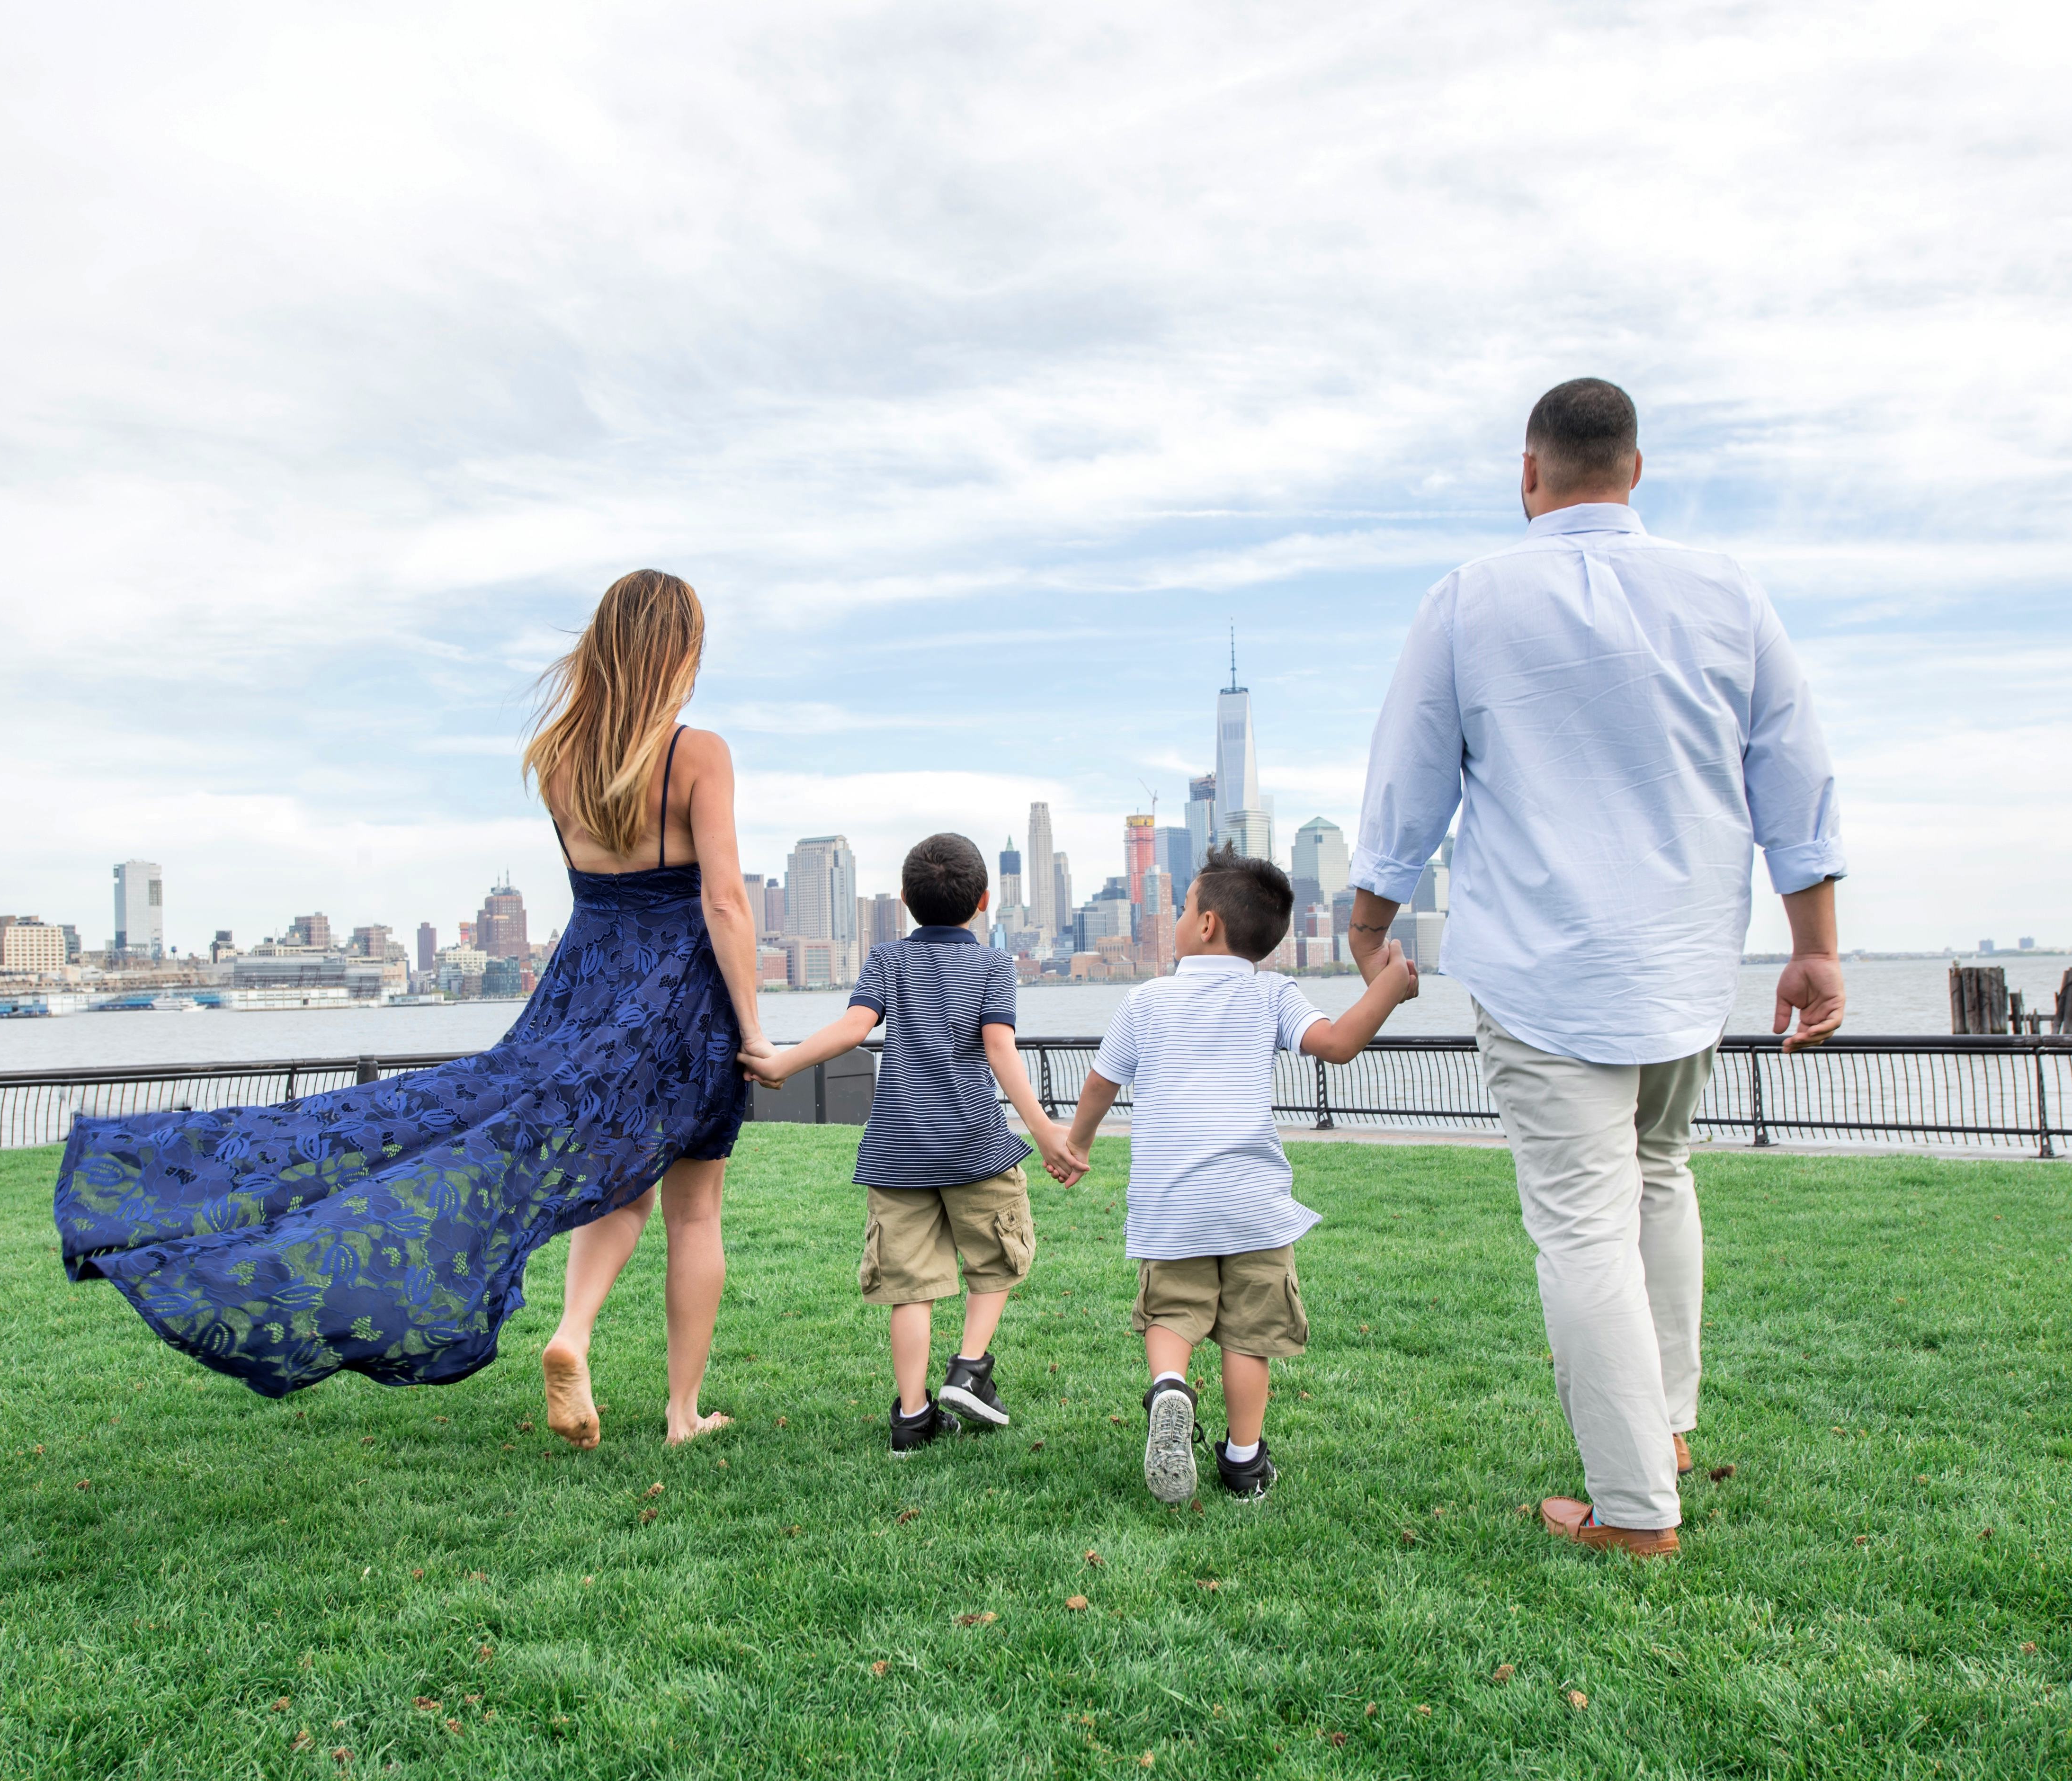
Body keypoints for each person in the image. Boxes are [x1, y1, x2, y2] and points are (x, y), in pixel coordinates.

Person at [54, 570, 770, 1451]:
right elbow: (725, 902)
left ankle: (574, 1333)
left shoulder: (558, 760)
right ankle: (681, 1414)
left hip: (585, 990)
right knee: (692, 1208)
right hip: (679, 1003)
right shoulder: (698, 753)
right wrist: (755, 1028)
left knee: (613, 1175)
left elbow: (604, 896)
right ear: (681, 650)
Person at [1347, 377, 1847, 1559]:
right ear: (1633, 471)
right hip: (1685, 964)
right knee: (1660, 1174)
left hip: (1544, 970)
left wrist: (1371, 928)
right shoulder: (1727, 592)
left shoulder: (1468, 600)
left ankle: (1631, 1509)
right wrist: (1814, 946)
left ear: (1529, 475)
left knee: (1581, 1226)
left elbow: (1405, 786)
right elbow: (1794, 775)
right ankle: (1663, 1429)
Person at [1061, 846, 1420, 1504]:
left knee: (1172, 1311)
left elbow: (1099, 1085)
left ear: (1205, 926)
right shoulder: (1272, 992)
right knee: (1249, 1333)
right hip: (1253, 1203)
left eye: (1182, 908)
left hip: (1172, 1202)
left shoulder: (1146, 1001)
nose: (1175, 920)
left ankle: (1171, 1388)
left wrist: (1077, 1147)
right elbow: (1337, 1046)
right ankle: (1245, 1460)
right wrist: (1388, 989)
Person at [745, 834, 1078, 1456]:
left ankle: (913, 1417)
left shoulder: (886, 958)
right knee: (999, 1260)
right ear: (983, 902)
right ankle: (970, 1369)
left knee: (910, 1287)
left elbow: (853, 1029)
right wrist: (1042, 1127)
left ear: (903, 901)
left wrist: (784, 1065)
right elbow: (1001, 1049)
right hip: (976, 1143)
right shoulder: (993, 965)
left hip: (897, 1151)